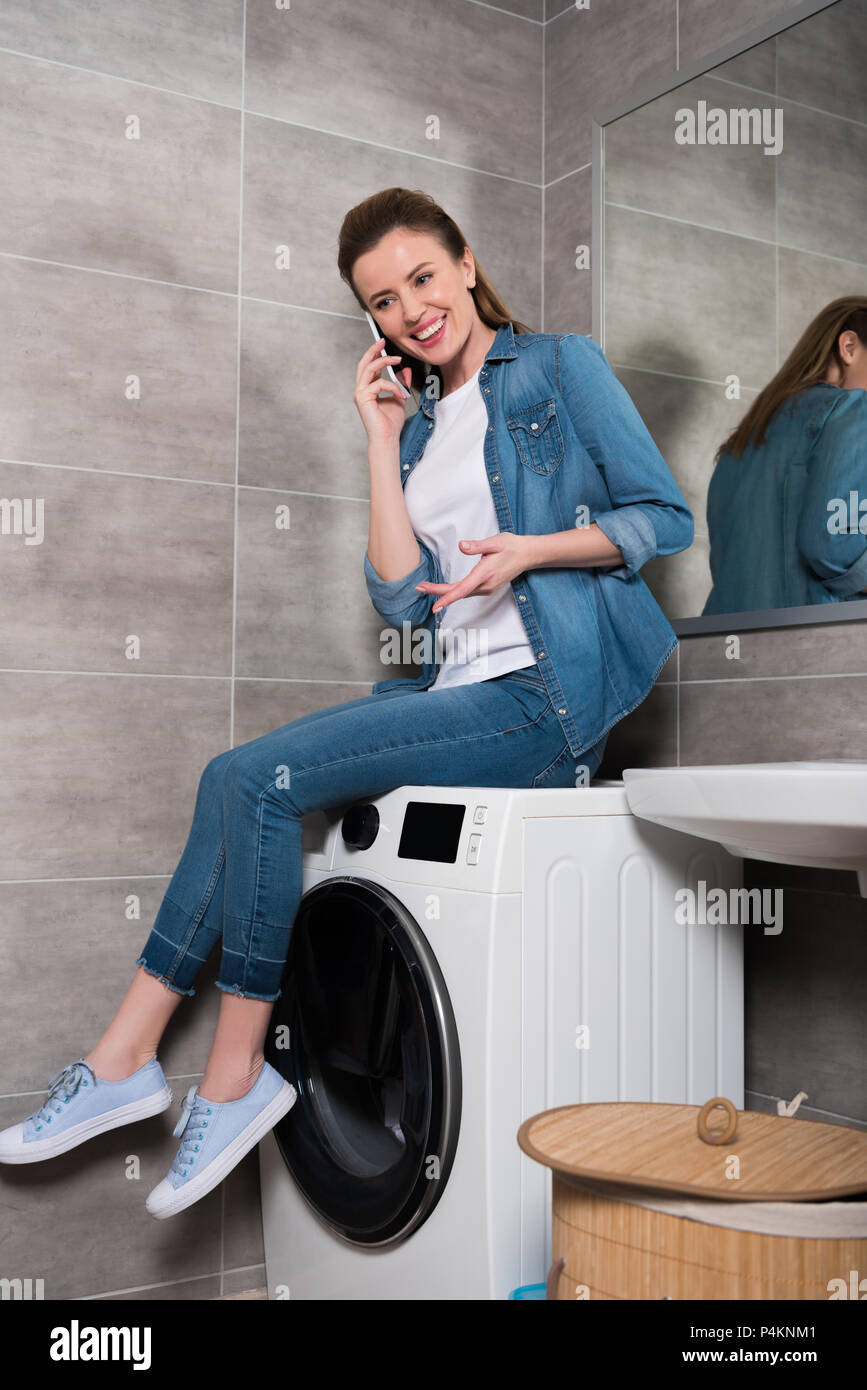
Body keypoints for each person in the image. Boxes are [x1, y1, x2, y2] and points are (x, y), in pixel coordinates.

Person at [0, 187, 693, 1218]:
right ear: (371, 321)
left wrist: (533, 551)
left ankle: (216, 1077)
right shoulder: (414, 427)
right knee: (235, 779)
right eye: (383, 300)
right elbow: (397, 592)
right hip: (463, 693)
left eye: (422, 276)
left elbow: (664, 516)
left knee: (258, 779)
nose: (411, 308)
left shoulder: (558, 369)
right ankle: (131, 1061)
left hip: (545, 702)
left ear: (464, 262)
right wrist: (379, 437)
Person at [702, 297, 867, 614]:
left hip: (724, 645)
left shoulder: (740, 444)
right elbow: (838, 546)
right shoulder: (854, 409)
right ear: (848, 347)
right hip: (817, 648)